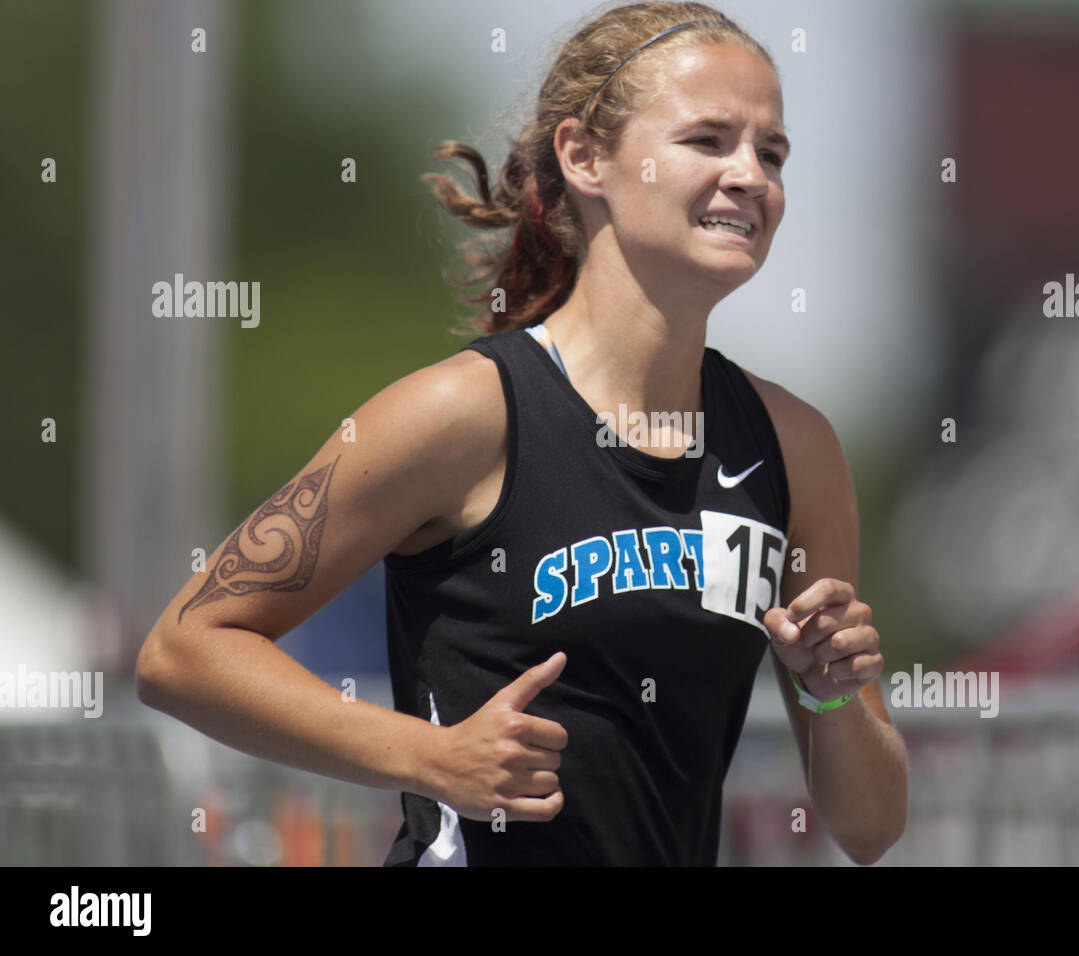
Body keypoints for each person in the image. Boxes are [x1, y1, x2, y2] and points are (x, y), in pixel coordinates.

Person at [135, 0, 908, 866]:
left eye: (771, 153)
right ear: (584, 157)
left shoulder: (794, 447)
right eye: (708, 140)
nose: (750, 176)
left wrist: (838, 693)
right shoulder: (465, 414)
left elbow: (870, 829)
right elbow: (184, 650)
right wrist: (428, 756)